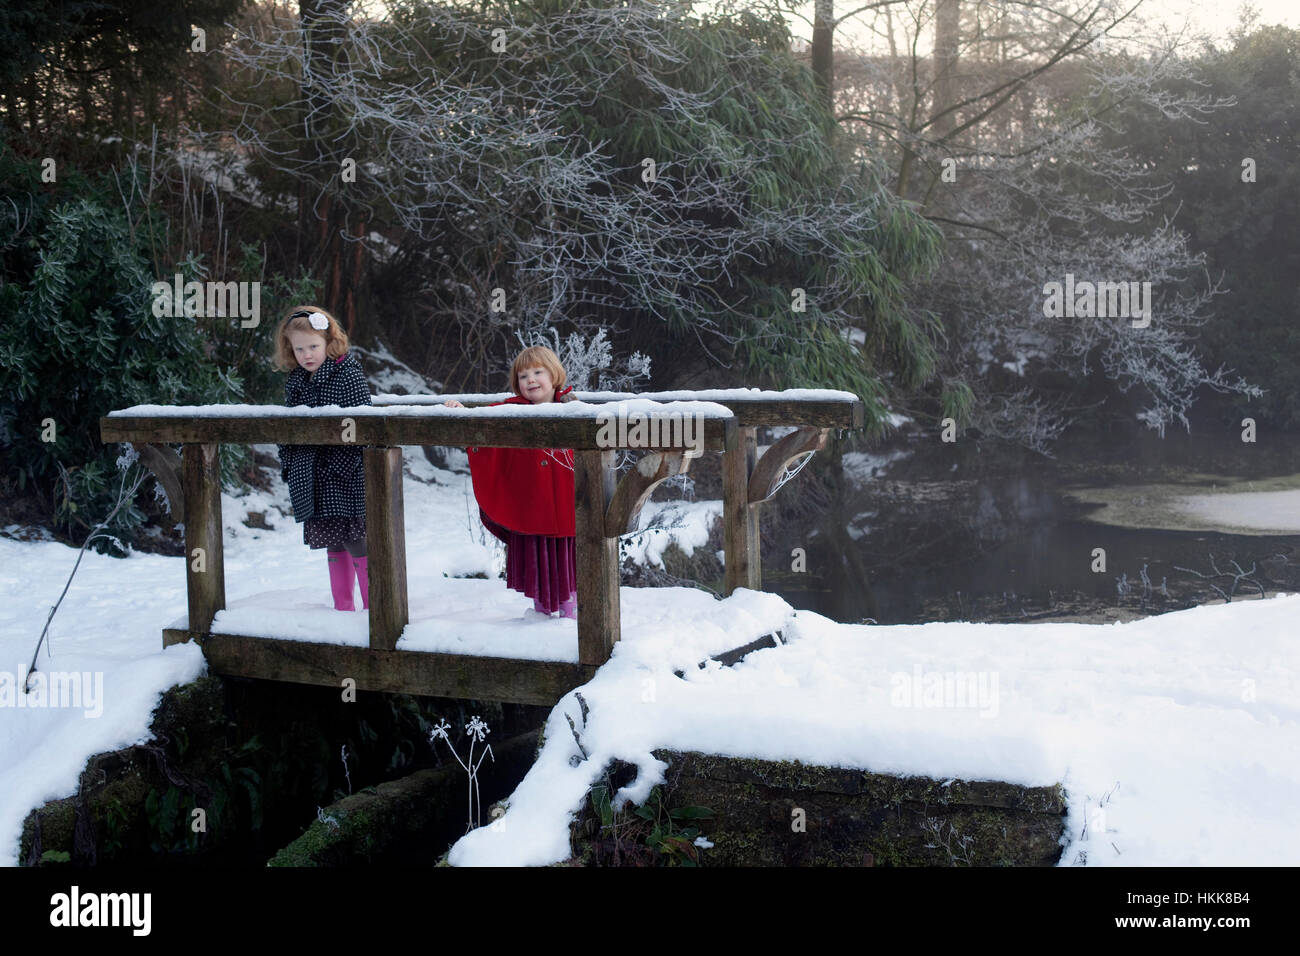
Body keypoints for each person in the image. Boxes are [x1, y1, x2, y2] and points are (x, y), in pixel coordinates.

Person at [445, 346, 578, 618]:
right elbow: (482, 422)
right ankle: (540, 616)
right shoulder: (510, 411)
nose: (530, 379)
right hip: (532, 509)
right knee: (540, 566)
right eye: (522, 375)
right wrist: (462, 412)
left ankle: (571, 619)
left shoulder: (573, 409)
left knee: (568, 569)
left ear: (554, 374)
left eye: (537, 372)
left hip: (567, 511)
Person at [273, 306, 373, 611]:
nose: (307, 354)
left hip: (345, 475)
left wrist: (337, 466)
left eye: (314, 346)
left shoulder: (347, 375)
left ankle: (376, 607)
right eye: (299, 348)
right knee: (332, 539)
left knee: (355, 539)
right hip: (311, 476)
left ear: (329, 342)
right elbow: (288, 428)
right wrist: (289, 464)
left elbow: (361, 426)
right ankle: (343, 608)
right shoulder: (296, 381)